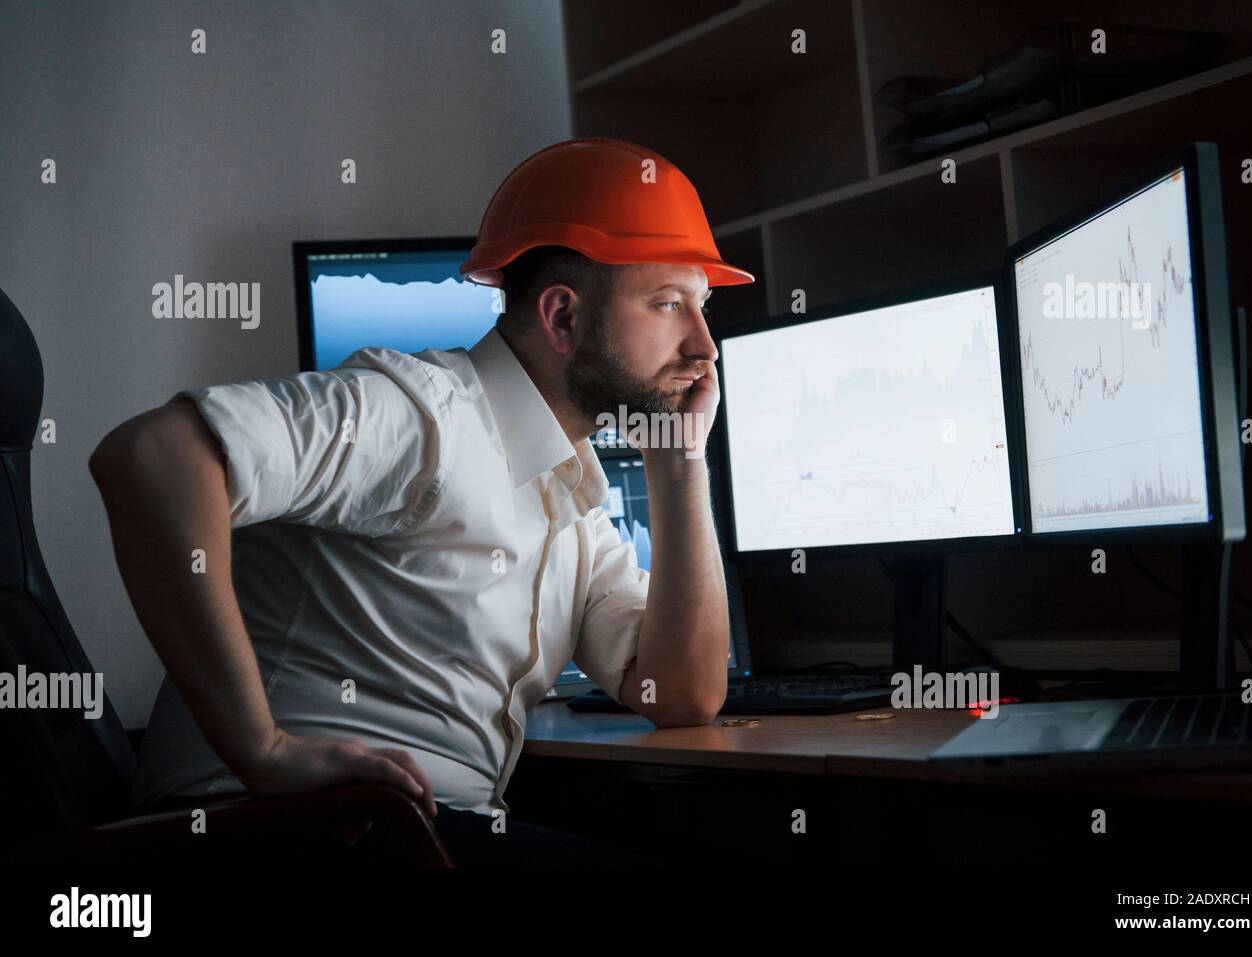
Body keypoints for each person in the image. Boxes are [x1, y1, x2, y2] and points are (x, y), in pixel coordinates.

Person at [90, 137, 755, 866]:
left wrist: (680, 463)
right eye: (669, 304)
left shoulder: (571, 501)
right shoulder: (420, 415)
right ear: (563, 319)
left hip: (412, 829)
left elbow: (681, 693)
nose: (705, 346)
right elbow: (150, 457)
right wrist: (263, 749)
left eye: (703, 306)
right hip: (274, 829)